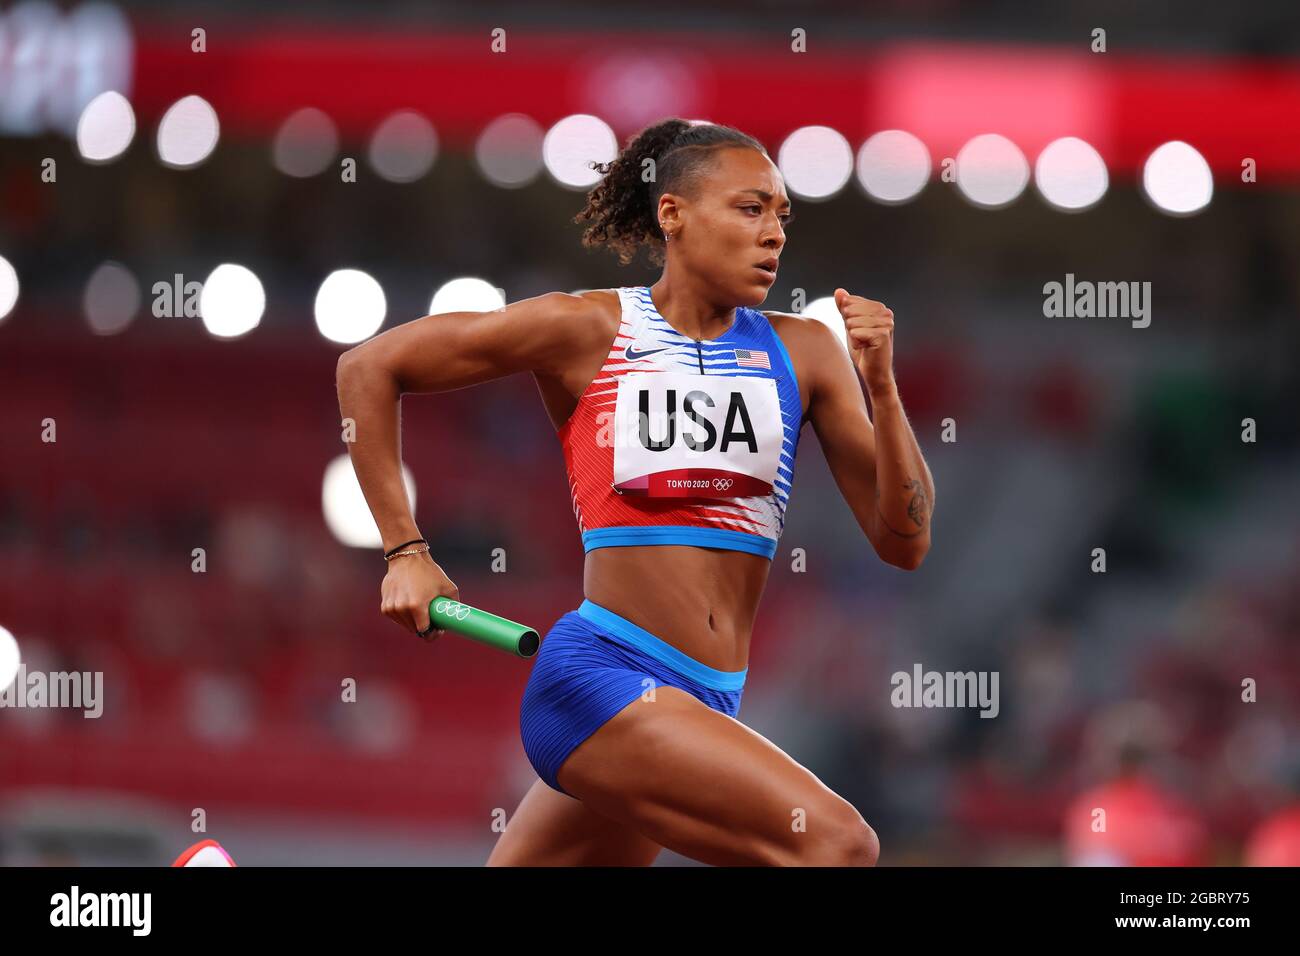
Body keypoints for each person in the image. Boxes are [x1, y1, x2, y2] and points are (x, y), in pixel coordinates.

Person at [336, 117, 934, 866]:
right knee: (838, 845)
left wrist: (882, 387)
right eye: (750, 209)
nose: (774, 233)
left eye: (782, 216)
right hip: (602, 678)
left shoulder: (805, 352)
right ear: (672, 214)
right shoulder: (587, 327)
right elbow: (368, 368)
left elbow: (905, 540)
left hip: (702, 699)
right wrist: (406, 552)